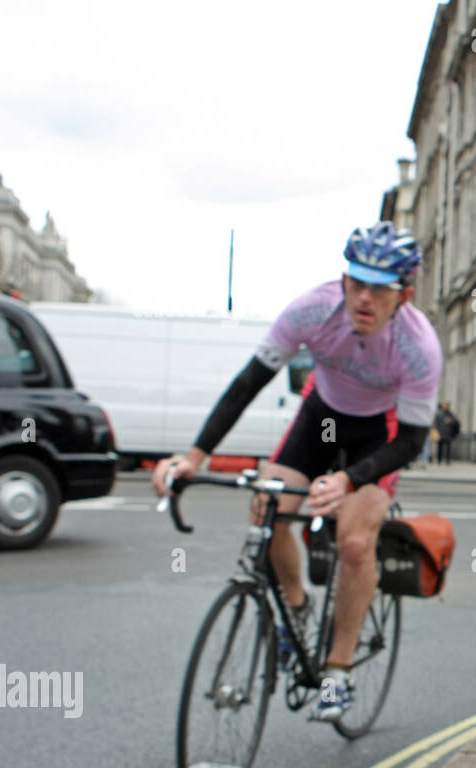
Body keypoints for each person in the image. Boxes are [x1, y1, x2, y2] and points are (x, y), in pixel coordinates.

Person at [151, 222, 441, 722]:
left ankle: (339, 671)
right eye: (357, 282)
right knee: (267, 505)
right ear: (343, 279)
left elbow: (413, 441)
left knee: (353, 543)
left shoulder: (419, 349)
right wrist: (195, 456)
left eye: (381, 288)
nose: (364, 299)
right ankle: (296, 605)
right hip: (322, 418)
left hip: (380, 432)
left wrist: (350, 480)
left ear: (405, 295)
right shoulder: (311, 309)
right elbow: (247, 384)